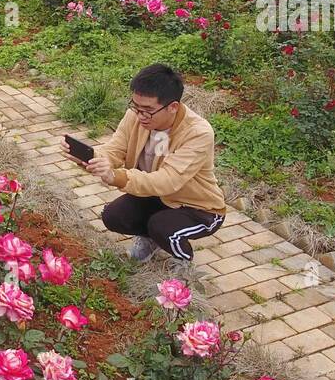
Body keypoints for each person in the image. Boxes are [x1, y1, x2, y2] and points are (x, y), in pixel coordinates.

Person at [62, 64, 227, 269]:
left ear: (172, 107)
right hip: (156, 196)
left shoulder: (198, 132)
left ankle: (183, 266)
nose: (140, 116)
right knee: (113, 216)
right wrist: (92, 157)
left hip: (198, 207)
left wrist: (116, 176)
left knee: (162, 228)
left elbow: (168, 180)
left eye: (148, 110)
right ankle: (150, 239)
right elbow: (116, 149)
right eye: (136, 107)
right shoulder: (137, 115)